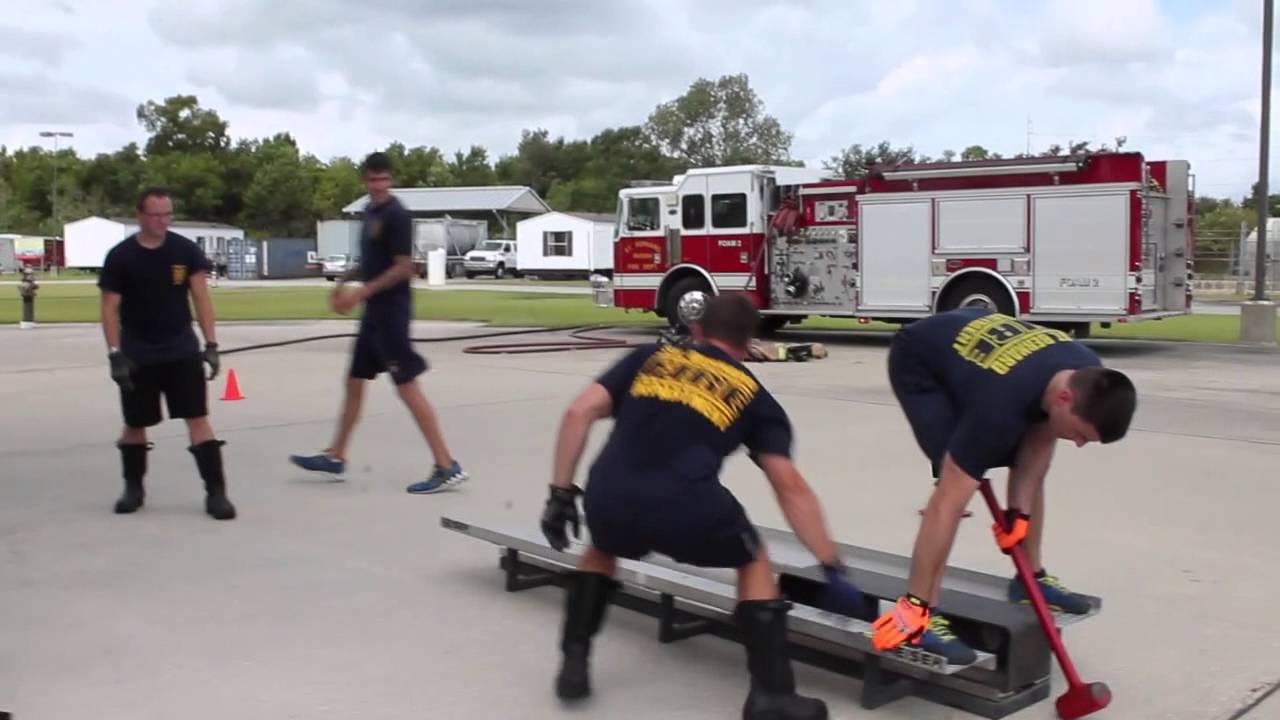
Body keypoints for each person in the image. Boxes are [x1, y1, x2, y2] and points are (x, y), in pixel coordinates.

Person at [540, 292, 874, 720]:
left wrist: (560, 493)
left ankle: (574, 664)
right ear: (750, 341)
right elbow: (788, 485)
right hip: (688, 506)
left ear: (697, 330)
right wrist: (831, 564)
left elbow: (577, 413)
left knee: (601, 549)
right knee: (753, 558)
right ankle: (772, 696)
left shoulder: (649, 357)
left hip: (610, 494)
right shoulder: (755, 396)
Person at [871, 307, 1137, 664]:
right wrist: (913, 606)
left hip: (991, 363)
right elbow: (946, 503)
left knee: (1037, 443)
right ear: (1064, 399)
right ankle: (921, 614)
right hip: (921, 361)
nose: (1078, 444)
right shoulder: (997, 408)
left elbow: (1040, 444)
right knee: (956, 487)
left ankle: (1030, 577)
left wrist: (1019, 515)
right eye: (1080, 434)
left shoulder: (1087, 369)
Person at [289, 151, 467, 494]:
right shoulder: (370, 212)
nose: (379, 185)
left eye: (384, 179)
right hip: (373, 312)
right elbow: (370, 259)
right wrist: (344, 281)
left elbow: (404, 266)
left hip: (391, 313)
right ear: (364, 181)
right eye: (373, 180)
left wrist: (362, 292)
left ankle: (446, 464)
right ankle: (337, 455)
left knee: (407, 386)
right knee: (354, 380)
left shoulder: (398, 215)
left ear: (391, 179)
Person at [98, 187, 236, 521]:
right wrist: (115, 353)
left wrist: (212, 344)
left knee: (197, 418)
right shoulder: (120, 257)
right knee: (134, 423)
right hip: (138, 353)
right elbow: (109, 308)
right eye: (156, 214)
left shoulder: (184, 251)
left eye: (167, 214)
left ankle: (216, 493)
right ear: (140, 216)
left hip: (180, 350)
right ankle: (133, 488)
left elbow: (201, 299)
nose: (163, 220)